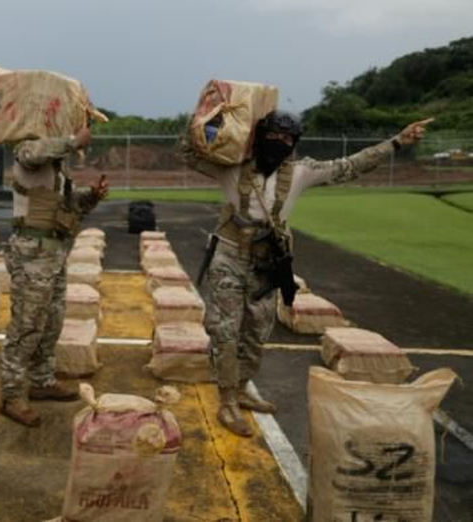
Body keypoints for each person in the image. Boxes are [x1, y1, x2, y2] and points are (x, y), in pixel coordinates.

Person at [180, 112, 433, 436]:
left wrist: (397, 142)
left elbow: (350, 166)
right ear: (259, 137)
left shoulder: (301, 172)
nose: (279, 143)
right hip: (228, 257)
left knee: (257, 330)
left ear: (294, 144)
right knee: (225, 331)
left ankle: (242, 386)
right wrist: (206, 117)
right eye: (273, 135)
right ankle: (228, 400)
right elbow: (189, 152)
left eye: (287, 140)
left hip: (266, 264)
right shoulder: (230, 166)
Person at [0, 119, 109, 427]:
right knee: (26, 326)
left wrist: (92, 196)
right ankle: (11, 396)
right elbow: (32, 154)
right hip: (31, 254)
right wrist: (74, 140)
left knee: (52, 321)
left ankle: (41, 380)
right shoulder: (28, 150)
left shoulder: (57, 171)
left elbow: (65, 208)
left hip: (54, 254)